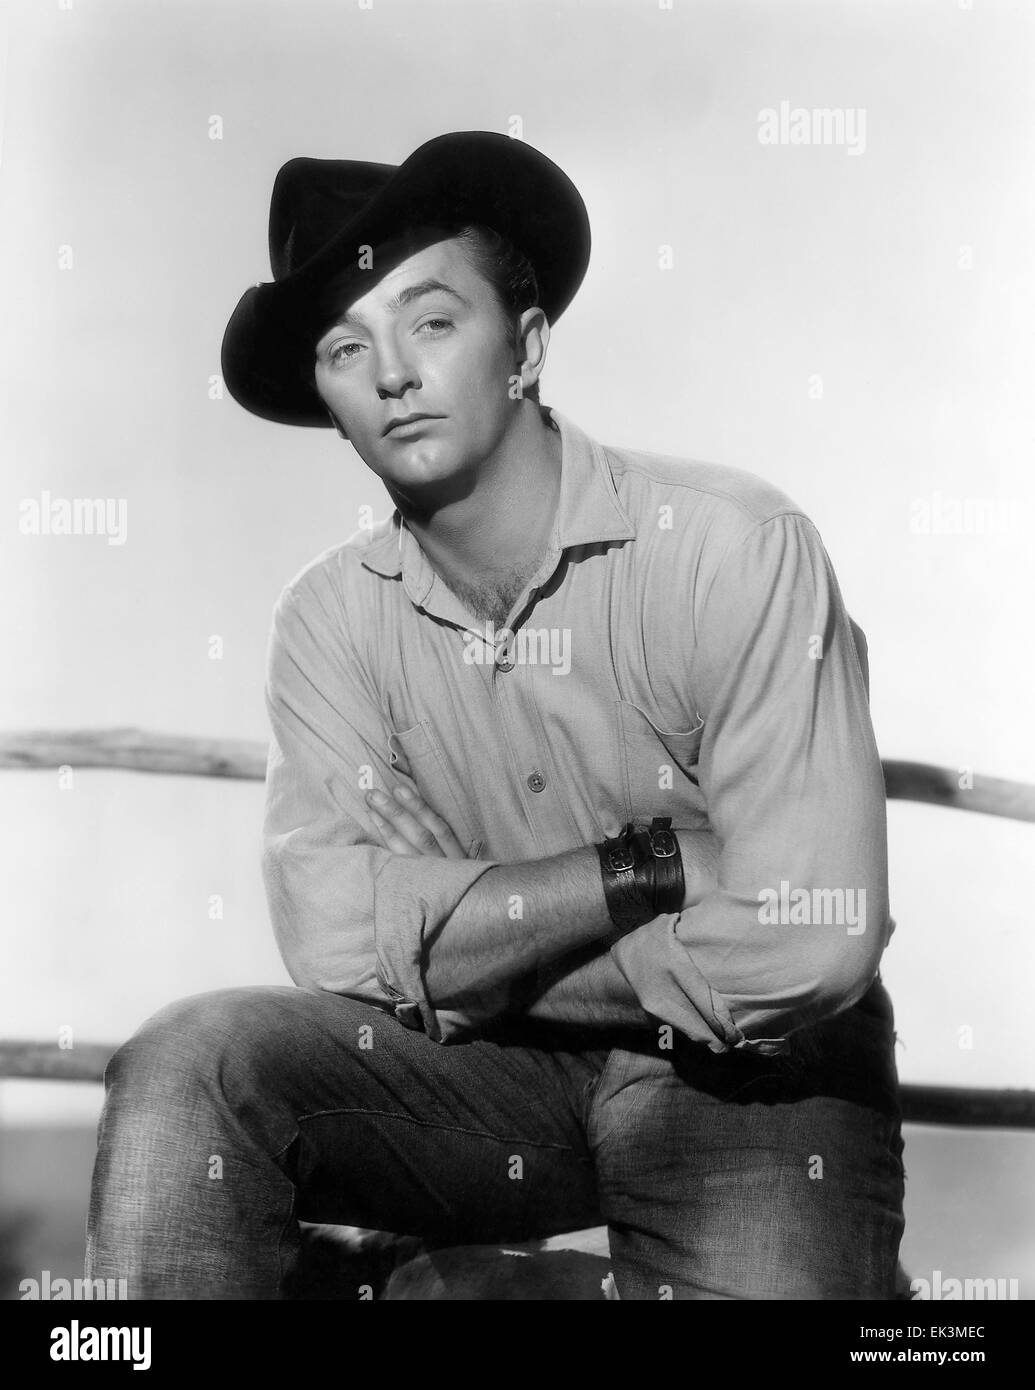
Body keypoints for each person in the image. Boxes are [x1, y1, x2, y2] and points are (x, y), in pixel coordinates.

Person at [85, 130, 905, 1299]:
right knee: (189, 1065)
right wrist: (650, 865)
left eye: (431, 321)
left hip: (752, 1081)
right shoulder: (327, 623)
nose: (392, 375)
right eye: (343, 345)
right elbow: (330, 935)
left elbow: (808, 937)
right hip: (487, 1079)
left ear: (523, 346)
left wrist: (473, 935)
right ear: (325, 397)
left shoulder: (733, 546)